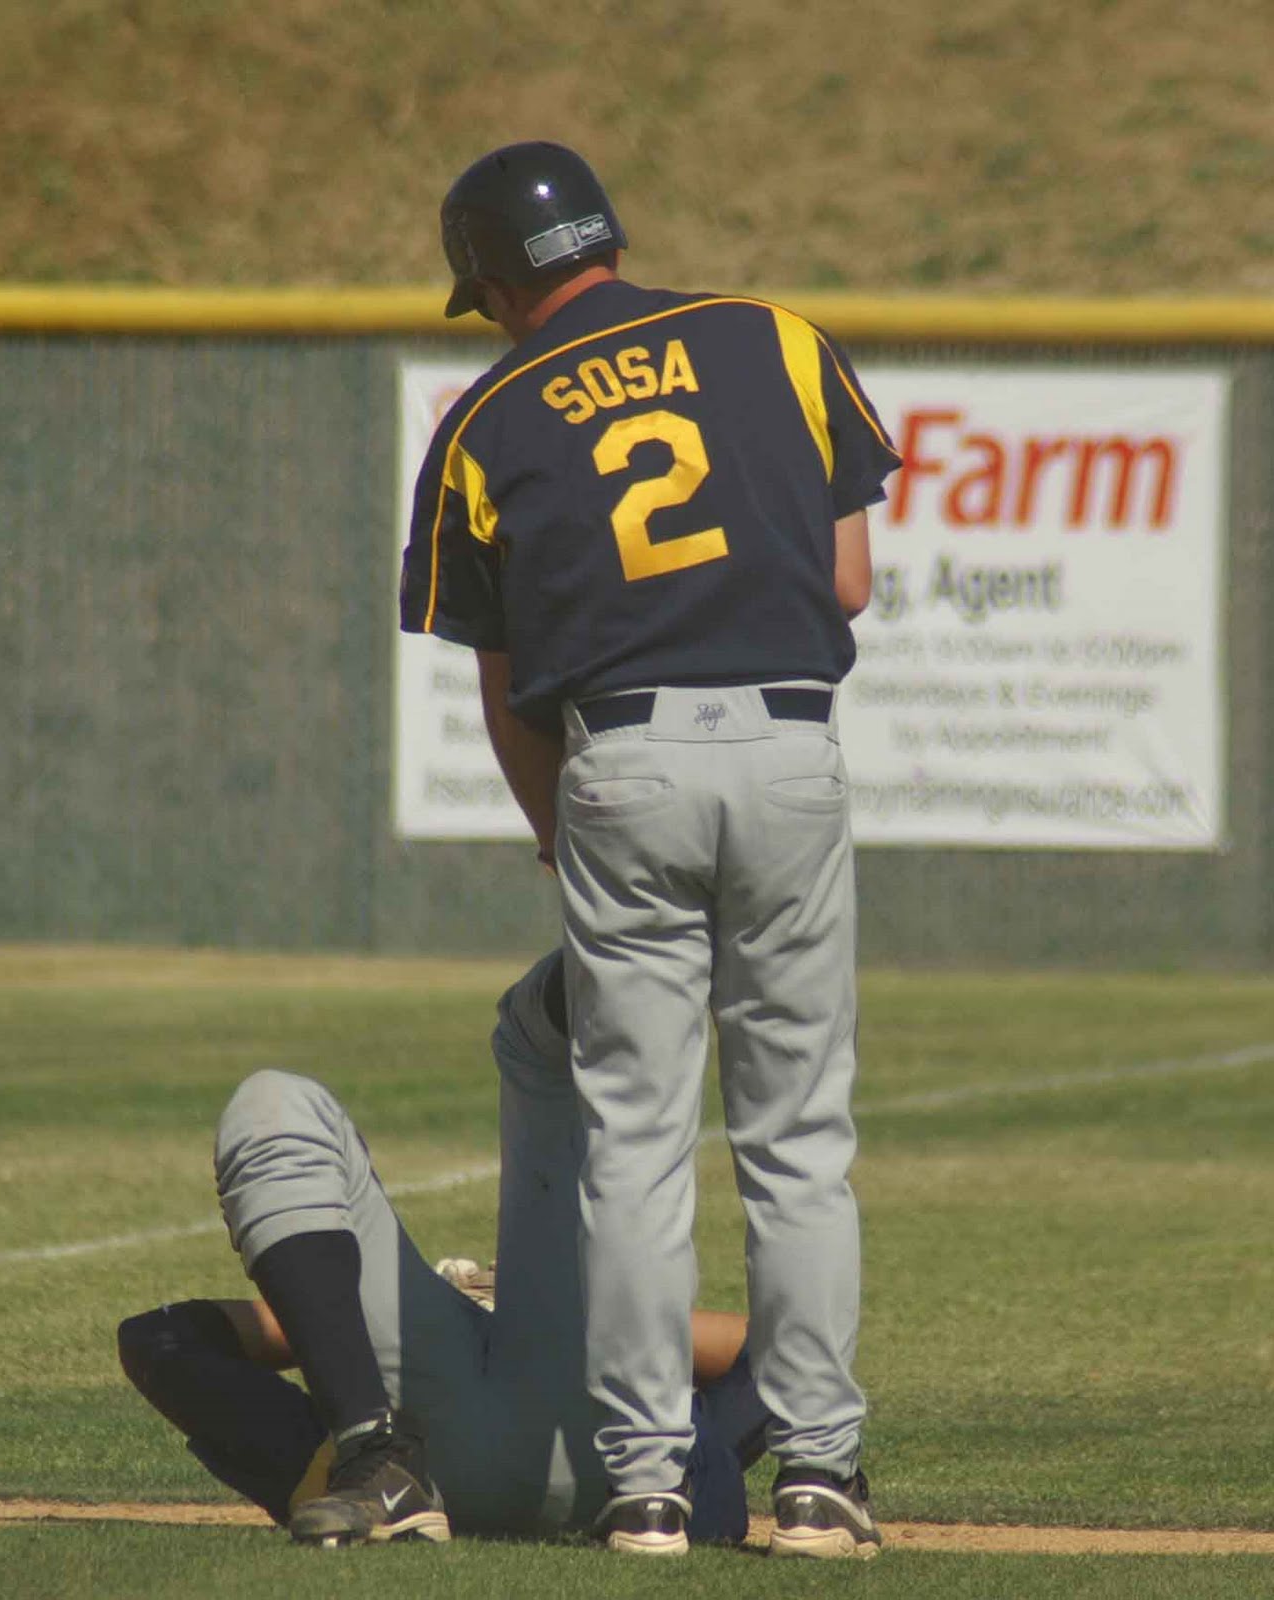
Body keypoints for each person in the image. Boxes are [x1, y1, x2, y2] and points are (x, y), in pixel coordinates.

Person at [398, 142, 901, 1558]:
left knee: (634, 1143)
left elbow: (501, 687)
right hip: (790, 745)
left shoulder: (486, 415)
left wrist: (563, 828)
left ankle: (646, 1485)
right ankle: (815, 1477)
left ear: (495, 280)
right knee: (799, 1137)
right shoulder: (774, 340)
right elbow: (850, 580)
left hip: (618, 759)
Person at [117, 951, 768, 1550]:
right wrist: (623, 1322)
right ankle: (667, 943)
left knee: (270, 1106)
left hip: (405, 1456)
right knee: (529, 1037)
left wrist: (329, 1329)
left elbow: (154, 1340)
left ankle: (375, 1457)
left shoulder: (316, 1437)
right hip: (621, 1469)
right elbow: (773, 1344)